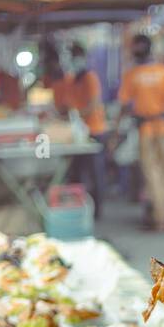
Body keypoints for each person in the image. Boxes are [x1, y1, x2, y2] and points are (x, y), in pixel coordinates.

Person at [114, 34, 164, 231]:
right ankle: (162, 216)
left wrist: (116, 131)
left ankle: (160, 219)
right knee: (163, 173)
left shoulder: (132, 74)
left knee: (151, 175)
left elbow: (124, 106)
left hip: (146, 130)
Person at [65, 41, 108, 215]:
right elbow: (69, 104)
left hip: (95, 131)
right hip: (78, 134)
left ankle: (98, 210)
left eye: (77, 56)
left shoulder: (90, 77)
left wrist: (78, 114)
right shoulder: (72, 79)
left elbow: (94, 103)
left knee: (95, 173)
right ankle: (79, 207)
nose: (75, 60)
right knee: (77, 173)